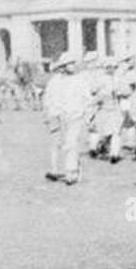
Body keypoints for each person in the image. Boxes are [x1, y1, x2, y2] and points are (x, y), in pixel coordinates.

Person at [42, 53, 89, 184]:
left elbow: (87, 98)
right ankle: (64, 169)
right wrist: (49, 114)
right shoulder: (55, 81)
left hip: (76, 116)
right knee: (63, 144)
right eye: (70, 64)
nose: (73, 66)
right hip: (60, 116)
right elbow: (48, 99)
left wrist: (86, 113)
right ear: (63, 66)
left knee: (71, 143)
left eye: (73, 63)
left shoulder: (80, 80)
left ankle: (71, 172)